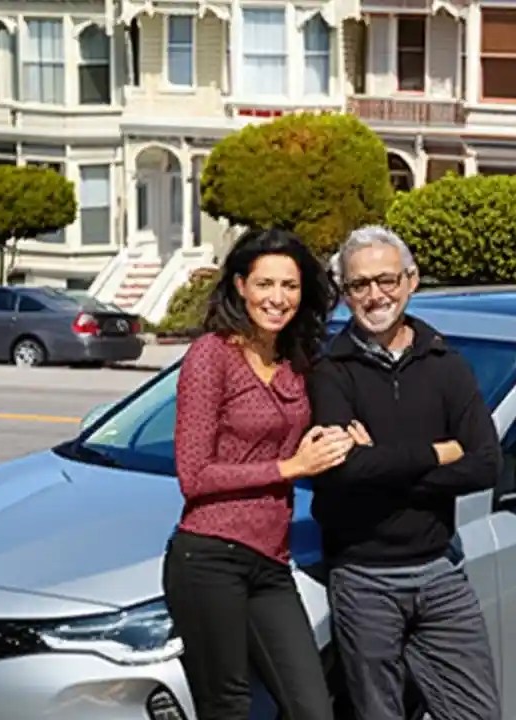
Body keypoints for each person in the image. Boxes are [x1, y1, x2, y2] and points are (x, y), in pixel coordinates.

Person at [307, 225, 503, 720]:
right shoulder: (330, 370)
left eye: (387, 280)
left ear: (411, 281)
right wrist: (439, 452)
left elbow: (486, 463)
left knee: (476, 713)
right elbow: (343, 471)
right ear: (344, 294)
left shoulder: (447, 364)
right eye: (359, 285)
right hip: (363, 578)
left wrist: (382, 461)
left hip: (441, 571)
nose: (375, 295)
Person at [163, 227, 353, 720]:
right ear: (240, 286)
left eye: (289, 286)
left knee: (312, 708)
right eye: (265, 284)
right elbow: (194, 474)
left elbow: (307, 437)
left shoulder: (295, 360)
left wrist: (348, 437)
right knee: (227, 707)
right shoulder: (211, 355)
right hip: (209, 556)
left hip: (270, 563)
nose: (277, 298)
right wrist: (291, 467)